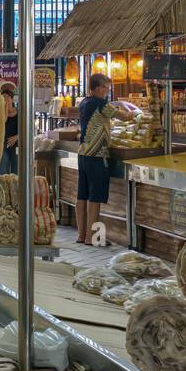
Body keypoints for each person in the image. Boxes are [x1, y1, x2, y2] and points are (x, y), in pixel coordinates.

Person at [75, 73, 133, 245]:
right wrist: (136, 113)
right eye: (107, 88)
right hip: (97, 155)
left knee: (82, 194)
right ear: (99, 88)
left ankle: (82, 235)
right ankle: (93, 238)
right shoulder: (101, 103)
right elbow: (123, 117)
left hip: (83, 153)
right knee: (95, 196)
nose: (108, 91)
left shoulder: (85, 102)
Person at [0, 81, 19, 175]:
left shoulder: (20, 113)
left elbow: (27, 130)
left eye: (8, 98)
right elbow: (2, 122)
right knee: (3, 170)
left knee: (16, 170)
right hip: (3, 145)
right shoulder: (0, 114)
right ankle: (5, 189)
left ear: (12, 100)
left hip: (16, 145)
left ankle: (16, 189)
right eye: (3, 98)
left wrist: (16, 137)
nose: (6, 100)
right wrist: (5, 108)